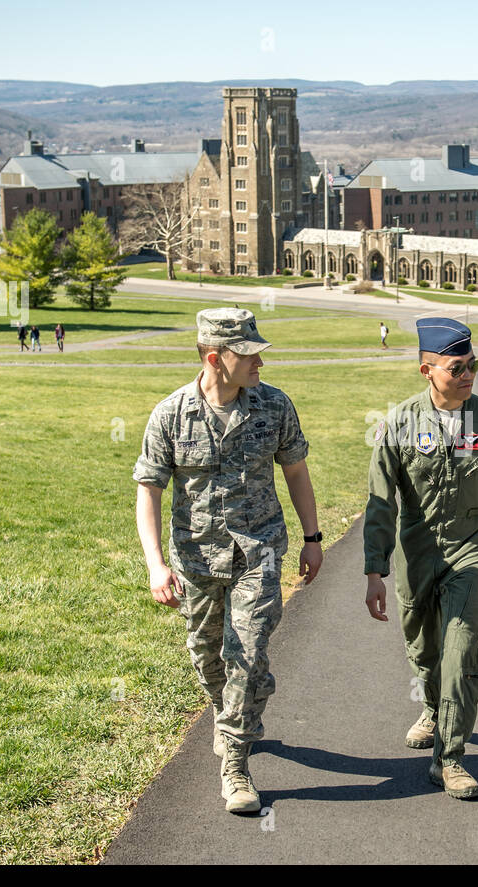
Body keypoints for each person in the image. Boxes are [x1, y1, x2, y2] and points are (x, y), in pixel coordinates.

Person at [133, 307, 323, 814]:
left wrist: (312, 536)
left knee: (248, 650)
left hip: (258, 553)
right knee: (207, 653)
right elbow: (148, 491)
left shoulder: (275, 406)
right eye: (250, 353)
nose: (260, 361)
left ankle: (236, 764)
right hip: (196, 559)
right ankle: (230, 710)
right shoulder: (171, 414)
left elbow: (297, 473)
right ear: (216, 359)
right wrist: (156, 565)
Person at [364, 317, 478, 800]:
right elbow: (380, 501)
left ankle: (450, 758)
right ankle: (434, 709)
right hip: (416, 553)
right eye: (457, 368)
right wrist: (376, 569)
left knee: (460, 652)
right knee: (425, 651)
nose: (468, 374)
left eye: (473, 365)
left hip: (468, 552)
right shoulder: (400, 422)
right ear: (426, 370)